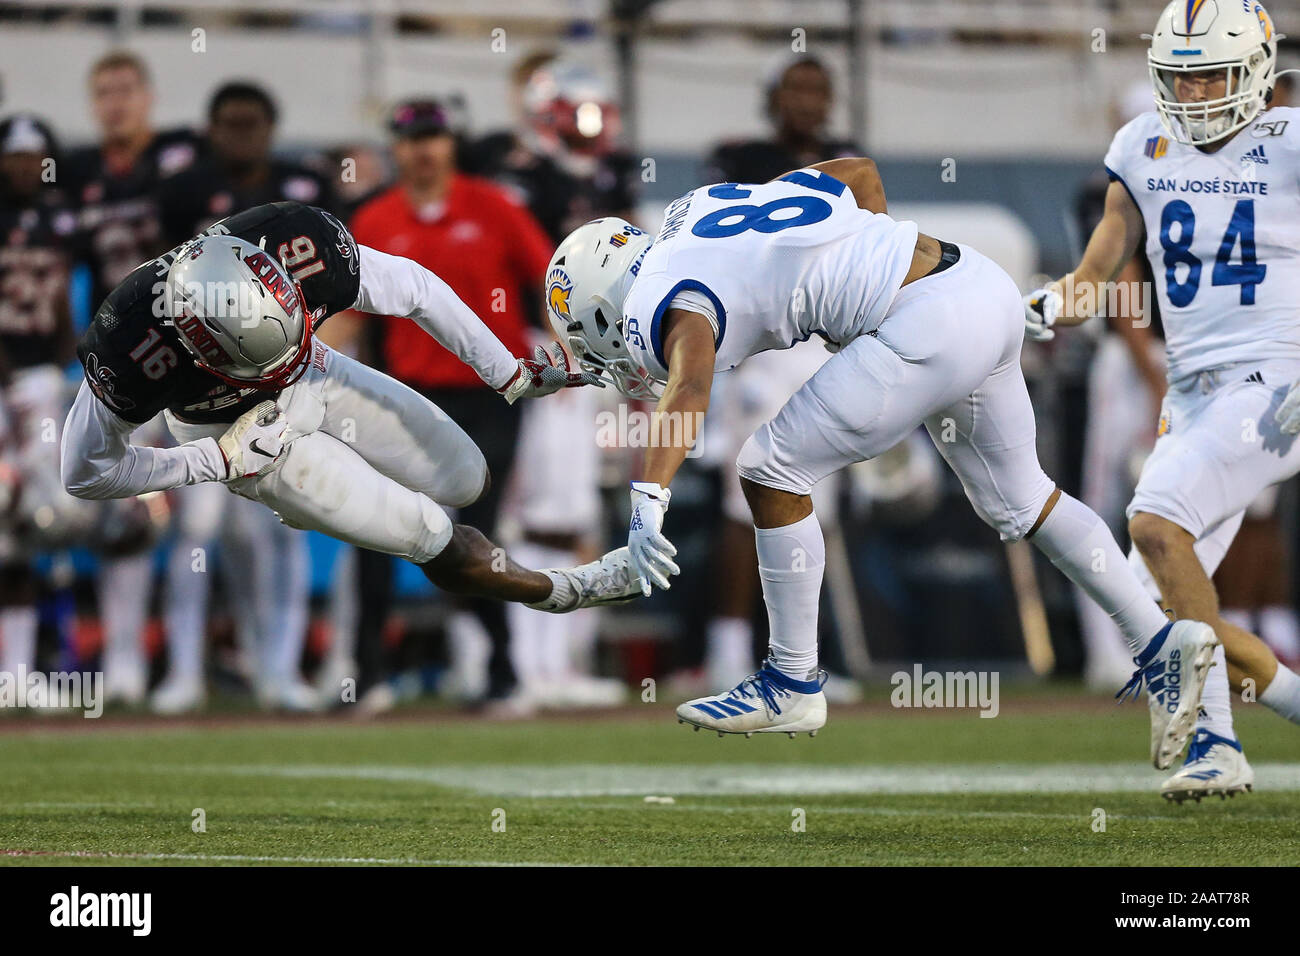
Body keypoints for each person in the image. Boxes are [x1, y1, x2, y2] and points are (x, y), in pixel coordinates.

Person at [548, 163, 1216, 767]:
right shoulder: (696, 210)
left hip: (925, 320)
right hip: (976, 281)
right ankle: (1161, 644)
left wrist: (648, 500)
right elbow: (858, 173)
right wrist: (871, 267)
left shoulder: (656, 296)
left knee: (768, 469)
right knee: (1021, 500)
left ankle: (791, 680)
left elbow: (689, 383)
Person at [59, 201, 640, 651]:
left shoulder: (295, 241)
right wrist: (216, 461)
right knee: (428, 532)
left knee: (466, 479)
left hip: (317, 372)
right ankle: (565, 590)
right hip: (234, 432)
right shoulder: (131, 341)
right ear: (195, 343)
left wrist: (507, 373)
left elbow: (415, 288)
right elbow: (84, 474)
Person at [1024, 0, 1300, 801]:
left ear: (1254, 69)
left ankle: (1216, 744)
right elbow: (1096, 271)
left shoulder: (1288, 142)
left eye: (1211, 72)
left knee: (1152, 522)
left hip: (1277, 380)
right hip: (1195, 391)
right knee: (1167, 616)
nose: (1196, 93)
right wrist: (1053, 301)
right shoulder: (1140, 145)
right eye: (1179, 77)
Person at [348, 99, 556, 704]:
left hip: (491, 394)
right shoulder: (374, 219)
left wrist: (574, 358)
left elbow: (550, 284)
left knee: (471, 531)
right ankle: (370, 673)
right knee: (371, 523)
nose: (423, 150)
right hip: (406, 394)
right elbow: (346, 315)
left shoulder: (495, 207)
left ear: (451, 145)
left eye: (434, 138)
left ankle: (503, 671)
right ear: (397, 147)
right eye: (412, 139)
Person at [150, 80, 333, 713]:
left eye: (252, 123)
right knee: (200, 531)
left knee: (282, 526)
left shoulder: (299, 193)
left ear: (271, 127)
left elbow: (335, 286)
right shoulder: (184, 193)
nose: (242, 134)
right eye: (229, 123)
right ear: (212, 129)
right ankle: (182, 670)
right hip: (204, 385)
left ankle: (278, 668)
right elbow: (160, 292)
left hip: (287, 378)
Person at [64, 49, 201, 704]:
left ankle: (187, 668)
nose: (115, 103)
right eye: (103, 91)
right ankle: (123, 663)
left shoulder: (179, 165)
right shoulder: (83, 176)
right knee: (126, 520)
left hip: (195, 356)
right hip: (126, 360)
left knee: (199, 525)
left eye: (126, 89)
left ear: (148, 97)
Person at [0, 113, 78, 681]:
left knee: (33, 518)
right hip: (6, 382)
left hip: (41, 380)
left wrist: (62, 366)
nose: (25, 167)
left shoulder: (59, 219)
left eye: (34, 156)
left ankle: (18, 670)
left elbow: (62, 309)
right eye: (15, 155)